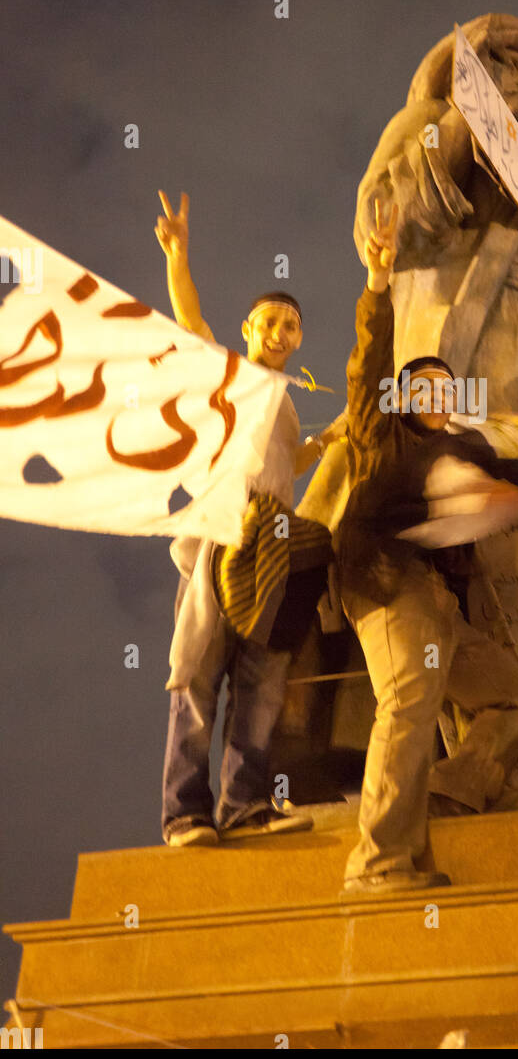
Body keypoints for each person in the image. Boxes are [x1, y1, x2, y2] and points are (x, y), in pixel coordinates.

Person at [303, 14, 518, 787]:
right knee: (472, 541)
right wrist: (467, 113)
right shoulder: (428, 128)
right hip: (462, 355)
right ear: (469, 73)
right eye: (506, 66)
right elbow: (390, 214)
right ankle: (488, 763)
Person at [338, 201, 518, 897]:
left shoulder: (462, 455)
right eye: (424, 386)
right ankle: (377, 862)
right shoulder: (379, 436)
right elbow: (367, 364)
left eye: (446, 388)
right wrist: (378, 286)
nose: (437, 395)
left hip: (447, 607)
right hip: (391, 586)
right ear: (403, 393)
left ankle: (446, 793)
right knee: (408, 707)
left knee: (516, 701)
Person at [154, 190, 344, 847]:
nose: (281, 333)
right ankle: (183, 813)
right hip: (217, 543)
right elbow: (188, 318)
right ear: (247, 330)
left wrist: (326, 443)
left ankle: (242, 804)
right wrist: (179, 255)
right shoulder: (226, 374)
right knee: (198, 676)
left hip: (274, 550)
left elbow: (281, 470)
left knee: (262, 687)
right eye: (269, 321)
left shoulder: (288, 406)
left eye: (291, 326)